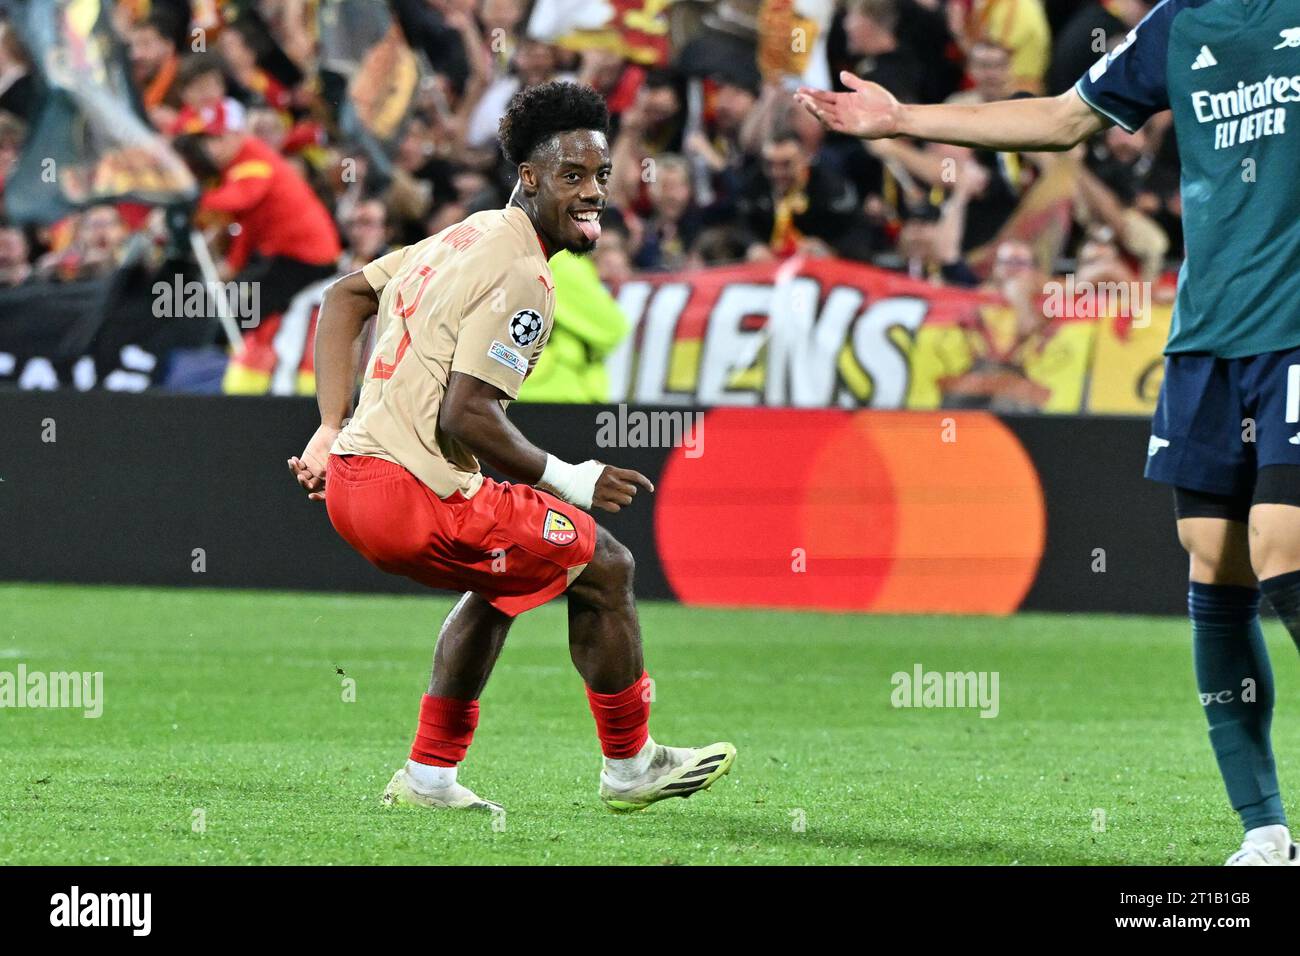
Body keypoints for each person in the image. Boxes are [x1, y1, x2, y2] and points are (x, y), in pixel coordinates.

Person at [796, 0, 1300, 866]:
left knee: (1280, 545)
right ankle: (1264, 830)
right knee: (1213, 560)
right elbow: (1065, 117)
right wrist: (903, 117)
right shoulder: (1178, 26)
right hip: (1208, 334)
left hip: (1293, 329)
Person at [287, 81, 735, 813]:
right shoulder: (524, 272)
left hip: (353, 484)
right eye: (572, 177)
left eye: (600, 177)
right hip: (414, 494)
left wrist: (332, 425)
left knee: (509, 578)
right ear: (529, 178)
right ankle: (631, 767)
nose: (592, 194)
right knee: (606, 565)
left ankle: (430, 778)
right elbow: (470, 413)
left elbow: (344, 296)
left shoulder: (463, 233)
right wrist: (571, 478)